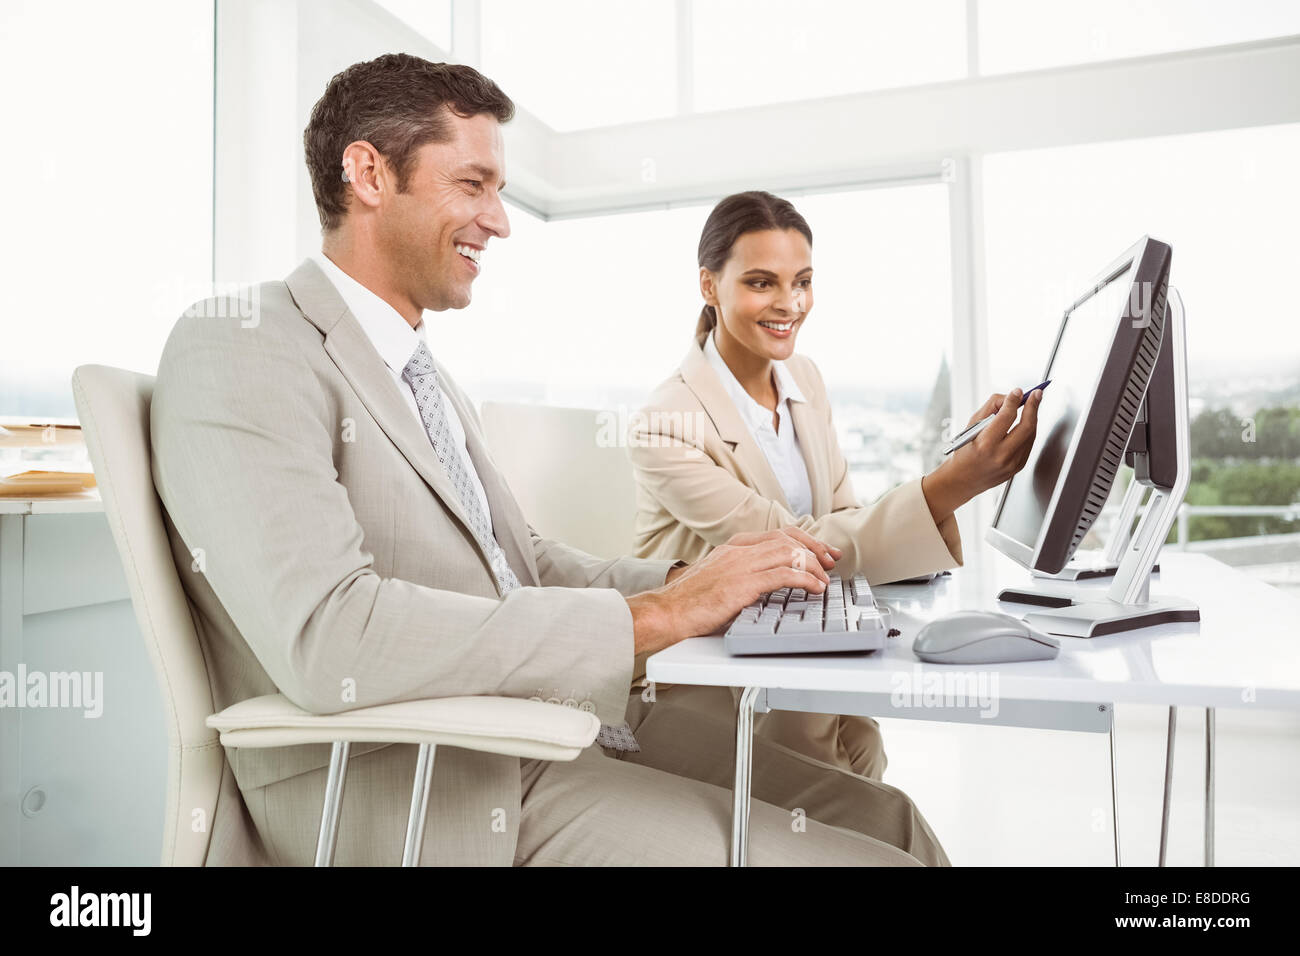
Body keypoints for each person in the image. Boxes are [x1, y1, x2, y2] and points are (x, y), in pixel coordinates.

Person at [149, 55, 951, 866]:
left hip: (551, 726)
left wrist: (696, 585)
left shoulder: (423, 375)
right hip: (423, 779)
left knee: (891, 823)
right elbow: (330, 637)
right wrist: (658, 620)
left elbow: (525, 562)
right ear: (368, 172)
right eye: (473, 184)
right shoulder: (244, 343)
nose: (497, 221)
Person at [626, 190, 1041, 782]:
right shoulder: (667, 420)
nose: (790, 303)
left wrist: (949, 475)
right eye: (761, 283)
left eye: (803, 281)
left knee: (864, 758)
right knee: (836, 784)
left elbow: (842, 511)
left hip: (806, 644)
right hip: (710, 672)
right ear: (709, 286)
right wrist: (949, 486)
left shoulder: (804, 378)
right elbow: (788, 549)